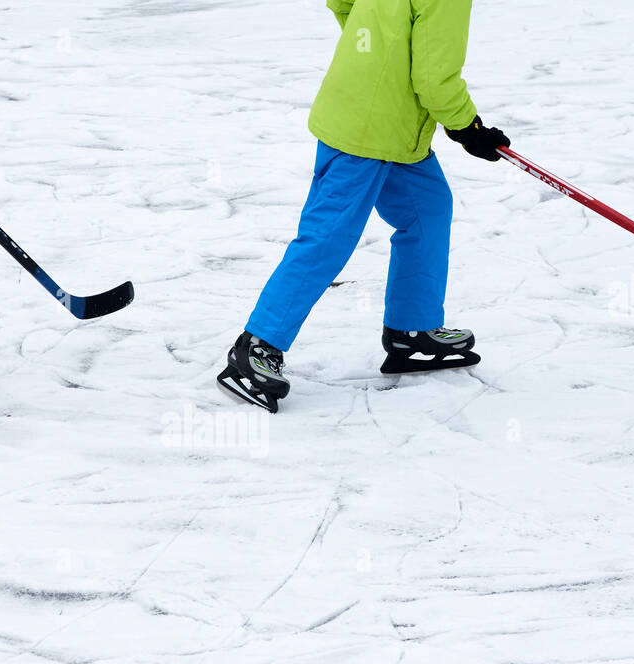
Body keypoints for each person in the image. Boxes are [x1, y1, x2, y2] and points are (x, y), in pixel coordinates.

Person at [217, 0, 510, 413]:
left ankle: (413, 328)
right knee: (328, 236)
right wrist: (469, 128)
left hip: (387, 121)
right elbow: (433, 80)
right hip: (367, 131)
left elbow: (342, 2)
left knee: (427, 210)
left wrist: (375, 55)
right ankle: (256, 348)